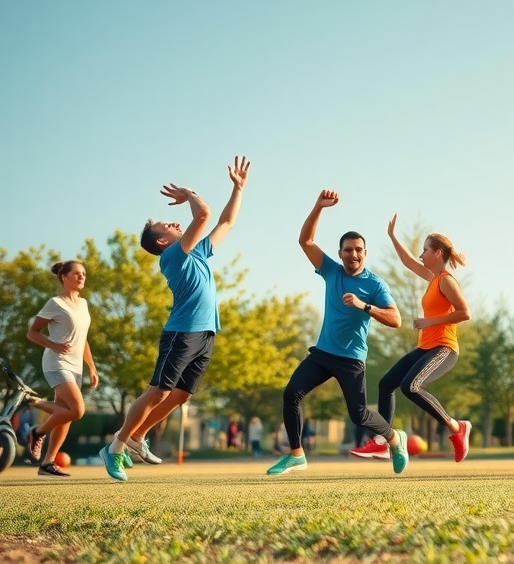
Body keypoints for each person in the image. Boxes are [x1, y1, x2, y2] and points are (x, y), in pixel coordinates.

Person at [101, 156, 251, 481]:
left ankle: (138, 437)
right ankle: (116, 446)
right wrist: (189, 192)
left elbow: (224, 222)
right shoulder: (172, 256)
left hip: (206, 333)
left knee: (180, 396)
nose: (175, 223)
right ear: (161, 241)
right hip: (182, 332)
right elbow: (204, 213)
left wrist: (237, 189)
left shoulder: (197, 251)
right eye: (167, 225)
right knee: (158, 392)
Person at [267, 190, 408, 477]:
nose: (353, 254)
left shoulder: (375, 285)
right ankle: (296, 455)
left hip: (351, 359)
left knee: (359, 416)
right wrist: (318, 206)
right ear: (340, 252)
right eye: (347, 249)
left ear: (365, 253)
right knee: (291, 393)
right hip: (322, 354)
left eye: (358, 249)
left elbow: (396, 320)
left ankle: (395, 438)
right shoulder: (331, 271)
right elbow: (305, 241)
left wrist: (364, 305)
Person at [364, 214, 472, 463]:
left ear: (437, 253)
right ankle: (383, 441)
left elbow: (465, 312)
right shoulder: (432, 279)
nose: (421, 254)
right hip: (426, 347)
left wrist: (430, 322)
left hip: (444, 348)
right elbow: (407, 261)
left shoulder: (446, 281)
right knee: (386, 383)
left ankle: (457, 428)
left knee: (410, 386)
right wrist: (392, 236)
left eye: (425, 250)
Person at [25, 260, 99, 478]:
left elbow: (82, 339)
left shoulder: (83, 304)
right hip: (56, 363)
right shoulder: (55, 303)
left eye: (83, 273)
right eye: (76, 273)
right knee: (77, 410)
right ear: (64, 277)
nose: (81, 277)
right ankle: (36, 429)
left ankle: (47, 464)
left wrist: (92, 367)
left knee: (64, 415)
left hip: (76, 366)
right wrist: (53, 344)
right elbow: (33, 332)